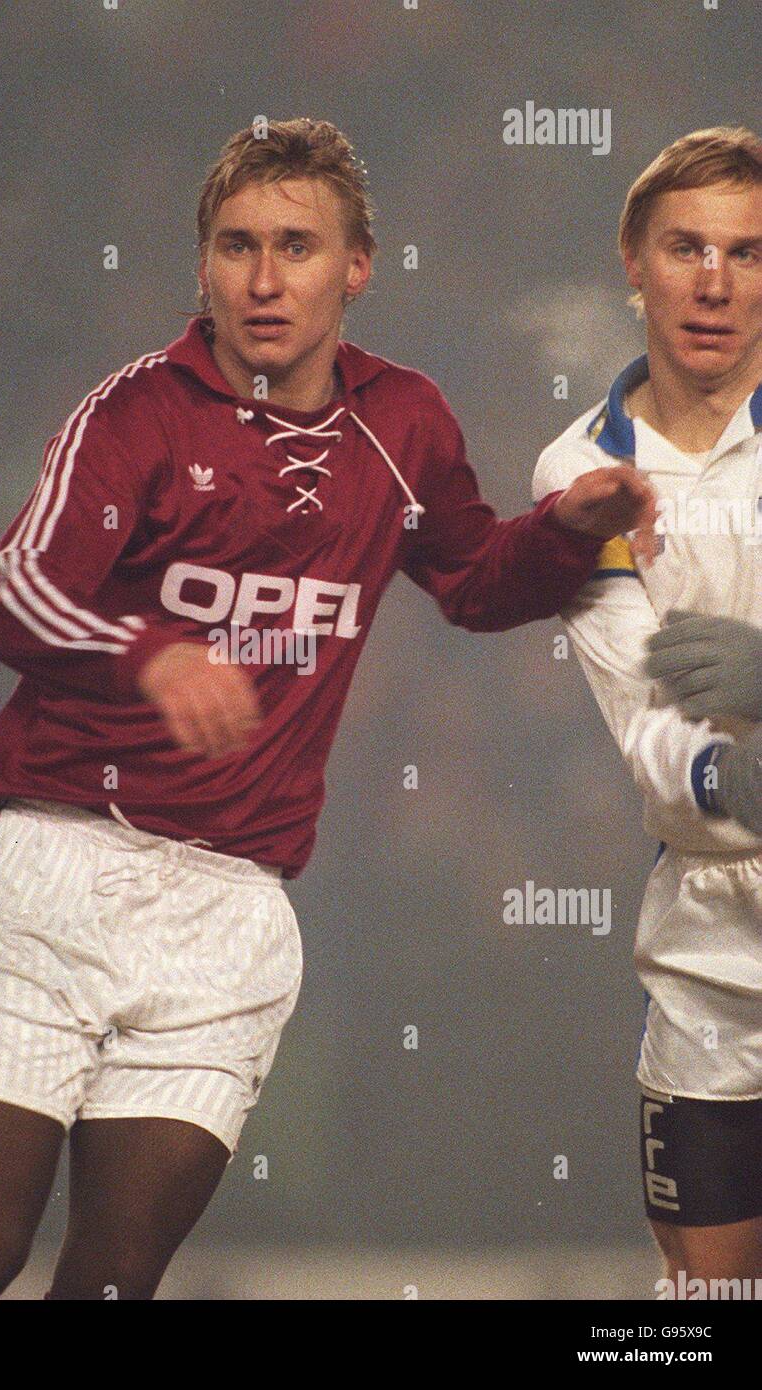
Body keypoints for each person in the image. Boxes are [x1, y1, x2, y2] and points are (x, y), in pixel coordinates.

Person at [0, 117, 651, 1300]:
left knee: (113, 1281)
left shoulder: (403, 423)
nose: (265, 278)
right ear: (203, 265)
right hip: (55, 874)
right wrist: (149, 656)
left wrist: (568, 532)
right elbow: (18, 600)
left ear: (356, 266)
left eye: (296, 245)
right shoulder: (133, 413)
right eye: (237, 246)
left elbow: (475, 582)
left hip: (229, 912)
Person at [531, 127, 762, 1289]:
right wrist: (734, 777)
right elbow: (644, 712)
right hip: (709, 932)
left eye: (745, 252)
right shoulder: (580, 474)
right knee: (705, 1299)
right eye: (685, 248)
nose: (714, 282)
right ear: (633, 260)